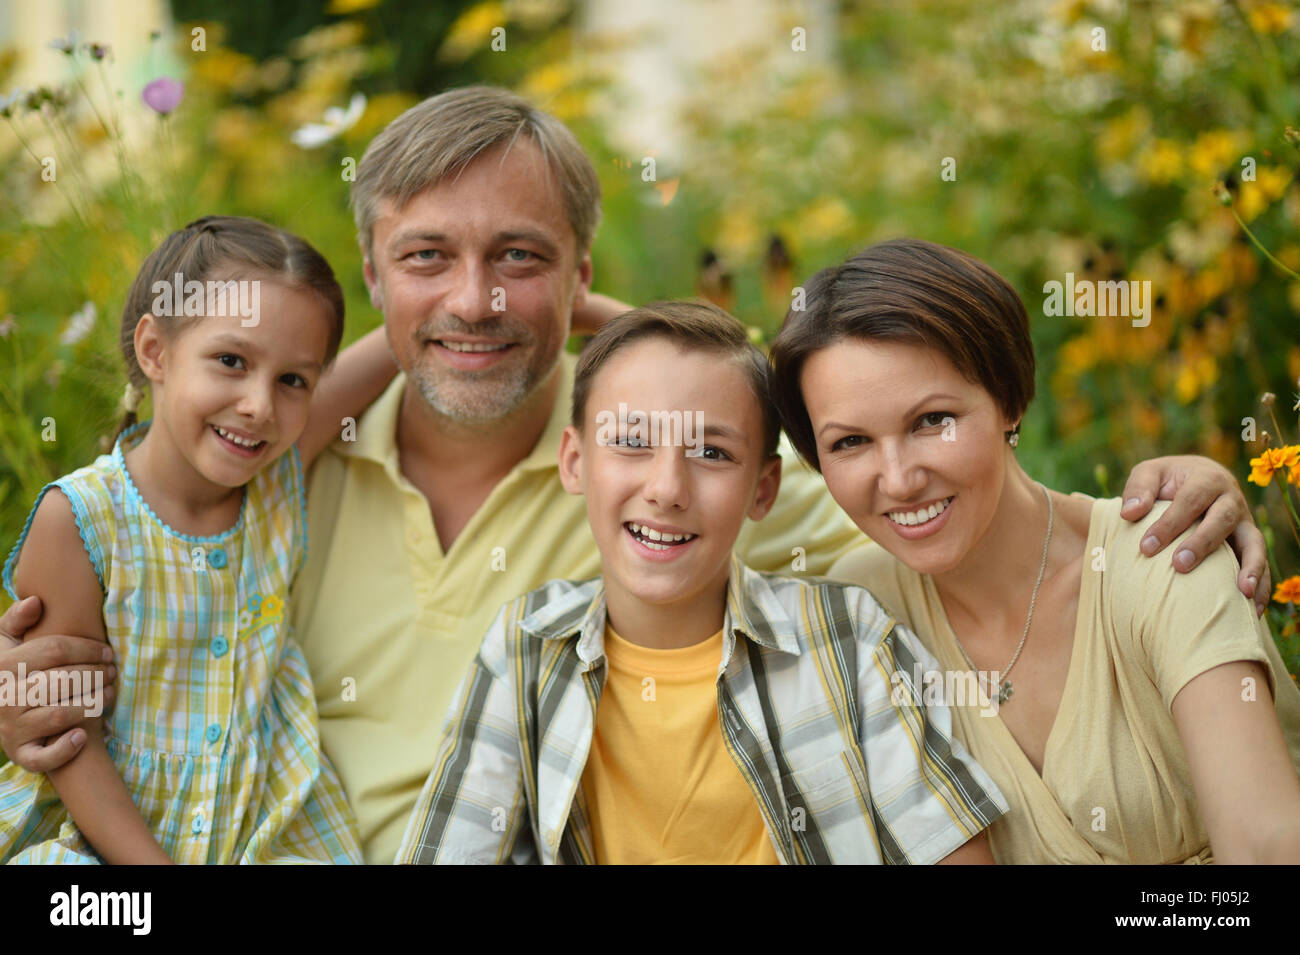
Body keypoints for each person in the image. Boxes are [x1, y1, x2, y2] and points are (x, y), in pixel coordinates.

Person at [0, 88, 1272, 865]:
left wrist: (1175, 496)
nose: (478, 300)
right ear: (369, 274)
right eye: (427, 256)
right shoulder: (280, 465)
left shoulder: (681, 488)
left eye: (523, 258)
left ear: (581, 269)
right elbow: (122, 565)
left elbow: (920, 488)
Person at [398, 301, 1006, 864]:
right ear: (575, 462)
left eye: (712, 453)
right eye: (632, 443)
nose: (667, 489)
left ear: (763, 489)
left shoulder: (847, 639)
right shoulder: (525, 647)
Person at [768, 237, 1300, 863]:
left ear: (1010, 401)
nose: (900, 478)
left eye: (932, 420)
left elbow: (1266, 850)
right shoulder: (860, 610)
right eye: (850, 441)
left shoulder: (1165, 554)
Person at [0, 216, 395, 863]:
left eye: (293, 380)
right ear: (155, 351)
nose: (260, 406)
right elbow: (65, 736)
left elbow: (401, 341)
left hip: (261, 829)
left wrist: (581, 312)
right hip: (107, 834)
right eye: (231, 361)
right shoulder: (78, 519)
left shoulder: (276, 482)